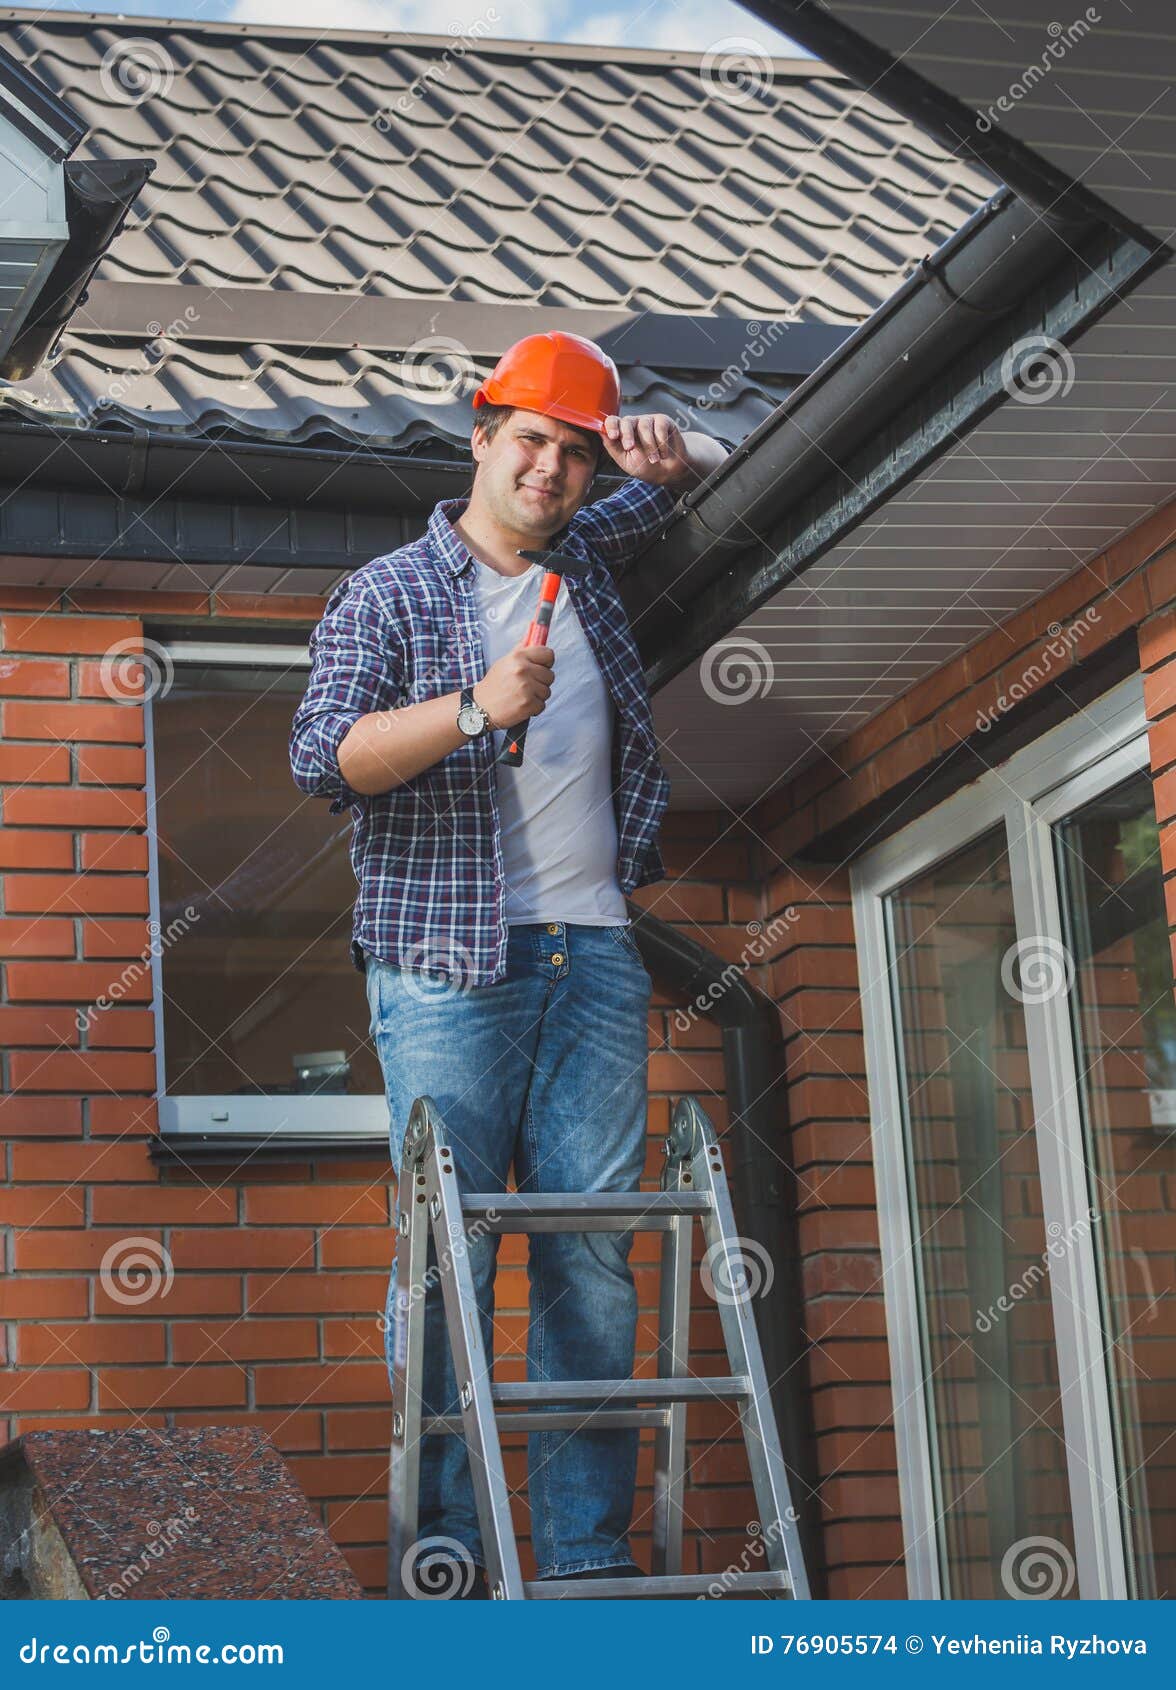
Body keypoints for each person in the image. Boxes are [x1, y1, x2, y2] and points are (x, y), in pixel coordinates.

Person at [289, 330, 727, 1595]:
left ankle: (584, 1557)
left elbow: (714, 465)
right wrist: (477, 708)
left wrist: (674, 441)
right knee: (452, 1257)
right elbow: (324, 758)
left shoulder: (585, 554)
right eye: (530, 440)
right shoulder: (388, 593)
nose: (551, 470)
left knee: (590, 1252)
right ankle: (450, 1558)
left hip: (591, 950)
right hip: (444, 959)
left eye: (576, 455)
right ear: (481, 438)